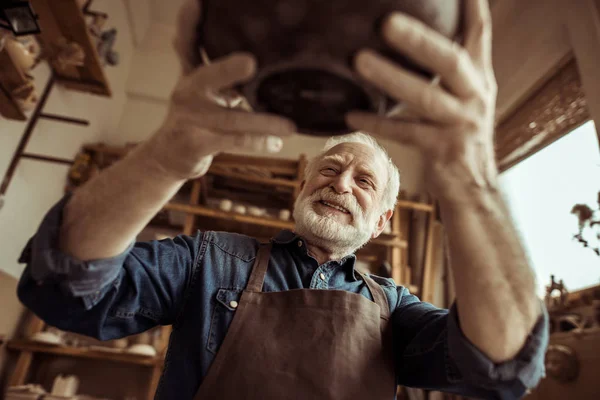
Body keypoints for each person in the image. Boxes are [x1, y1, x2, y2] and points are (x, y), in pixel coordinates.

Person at [17, 0, 548, 398]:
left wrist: (469, 178)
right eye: (330, 170)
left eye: (364, 182)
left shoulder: (394, 309)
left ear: (384, 219)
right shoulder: (209, 260)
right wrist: (165, 157)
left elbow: (499, 366)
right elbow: (68, 288)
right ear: (302, 188)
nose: (340, 184)